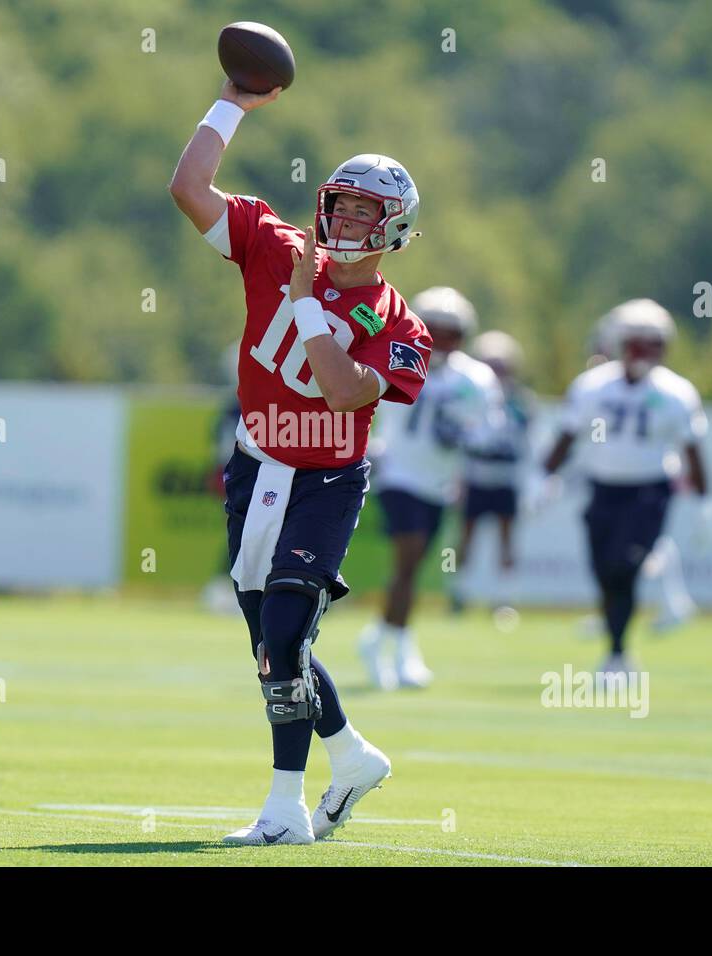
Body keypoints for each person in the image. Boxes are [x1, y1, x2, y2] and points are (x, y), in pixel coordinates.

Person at [169, 79, 432, 844]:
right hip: (257, 468)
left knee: (286, 634)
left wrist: (305, 303)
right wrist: (232, 104)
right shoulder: (275, 242)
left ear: (396, 229)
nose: (349, 218)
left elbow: (345, 390)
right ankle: (350, 755)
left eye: (366, 210)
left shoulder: (398, 321)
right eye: (342, 204)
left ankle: (285, 807)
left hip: (326, 478)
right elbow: (189, 188)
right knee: (272, 648)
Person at [530, 299, 712, 674]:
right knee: (603, 569)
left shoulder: (676, 392)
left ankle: (616, 654)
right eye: (636, 343)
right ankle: (618, 646)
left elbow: (692, 451)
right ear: (618, 344)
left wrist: (704, 502)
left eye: (651, 344)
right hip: (603, 490)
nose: (643, 353)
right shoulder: (593, 386)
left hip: (648, 492)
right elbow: (567, 437)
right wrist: (541, 475)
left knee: (623, 566)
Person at [358, 287, 503, 689]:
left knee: (413, 567)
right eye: (434, 331)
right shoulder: (397, 356)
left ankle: (380, 638)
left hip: (440, 482)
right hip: (400, 475)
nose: (441, 341)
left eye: (450, 333)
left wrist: (462, 435)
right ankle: (400, 649)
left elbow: (489, 431)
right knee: (408, 562)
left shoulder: (475, 378)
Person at [452, 330, 534, 612]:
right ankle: (460, 593)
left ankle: (504, 598)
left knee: (506, 539)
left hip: (505, 477)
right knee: (466, 537)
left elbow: (524, 437)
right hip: (477, 474)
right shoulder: (474, 394)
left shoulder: (520, 401)